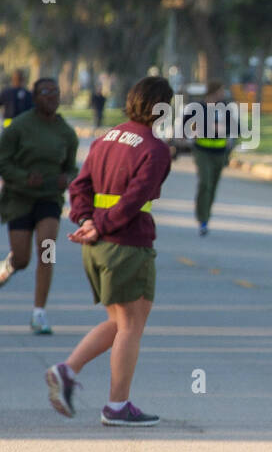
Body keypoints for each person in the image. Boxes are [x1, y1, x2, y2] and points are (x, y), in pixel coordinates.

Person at [45, 76, 174, 427]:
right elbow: (135, 199)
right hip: (127, 245)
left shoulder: (106, 139)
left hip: (98, 244)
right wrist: (99, 225)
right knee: (130, 326)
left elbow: (79, 186)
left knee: (120, 321)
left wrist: (86, 219)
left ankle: (67, 370)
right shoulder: (155, 148)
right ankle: (117, 406)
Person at [0, 78, 79, 334]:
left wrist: (66, 178)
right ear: (35, 98)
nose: (52, 98)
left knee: (47, 250)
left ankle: (39, 313)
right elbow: (3, 161)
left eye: (56, 93)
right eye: (46, 93)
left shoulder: (65, 132)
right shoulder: (19, 127)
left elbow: (71, 167)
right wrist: (24, 178)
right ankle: (9, 266)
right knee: (22, 259)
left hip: (49, 200)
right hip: (19, 199)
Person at [192, 81, 237, 235]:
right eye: (221, 91)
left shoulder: (226, 108)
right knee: (205, 182)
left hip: (219, 152)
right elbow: (189, 126)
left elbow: (234, 128)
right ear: (213, 92)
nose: (223, 94)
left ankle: (206, 217)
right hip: (202, 151)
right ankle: (202, 218)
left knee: (213, 185)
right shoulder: (199, 107)